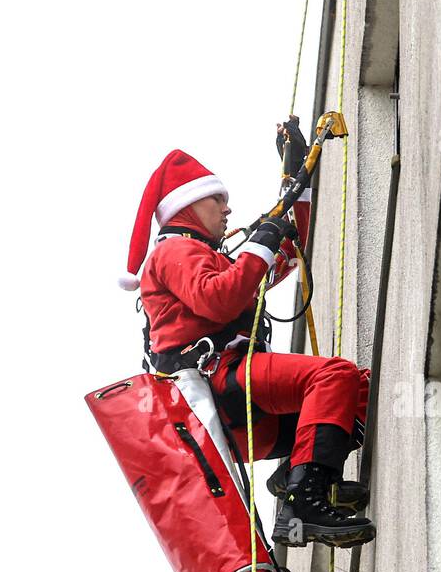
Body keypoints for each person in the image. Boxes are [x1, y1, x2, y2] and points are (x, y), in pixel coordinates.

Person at [118, 118, 375, 549]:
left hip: (241, 397)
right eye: (217, 199)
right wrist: (260, 245)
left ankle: (302, 473)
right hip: (220, 384)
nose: (227, 209)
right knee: (332, 377)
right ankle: (304, 500)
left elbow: (288, 255)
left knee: (356, 390)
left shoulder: (208, 257)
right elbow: (219, 298)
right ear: (187, 207)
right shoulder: (173, 251)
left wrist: (296, 180)